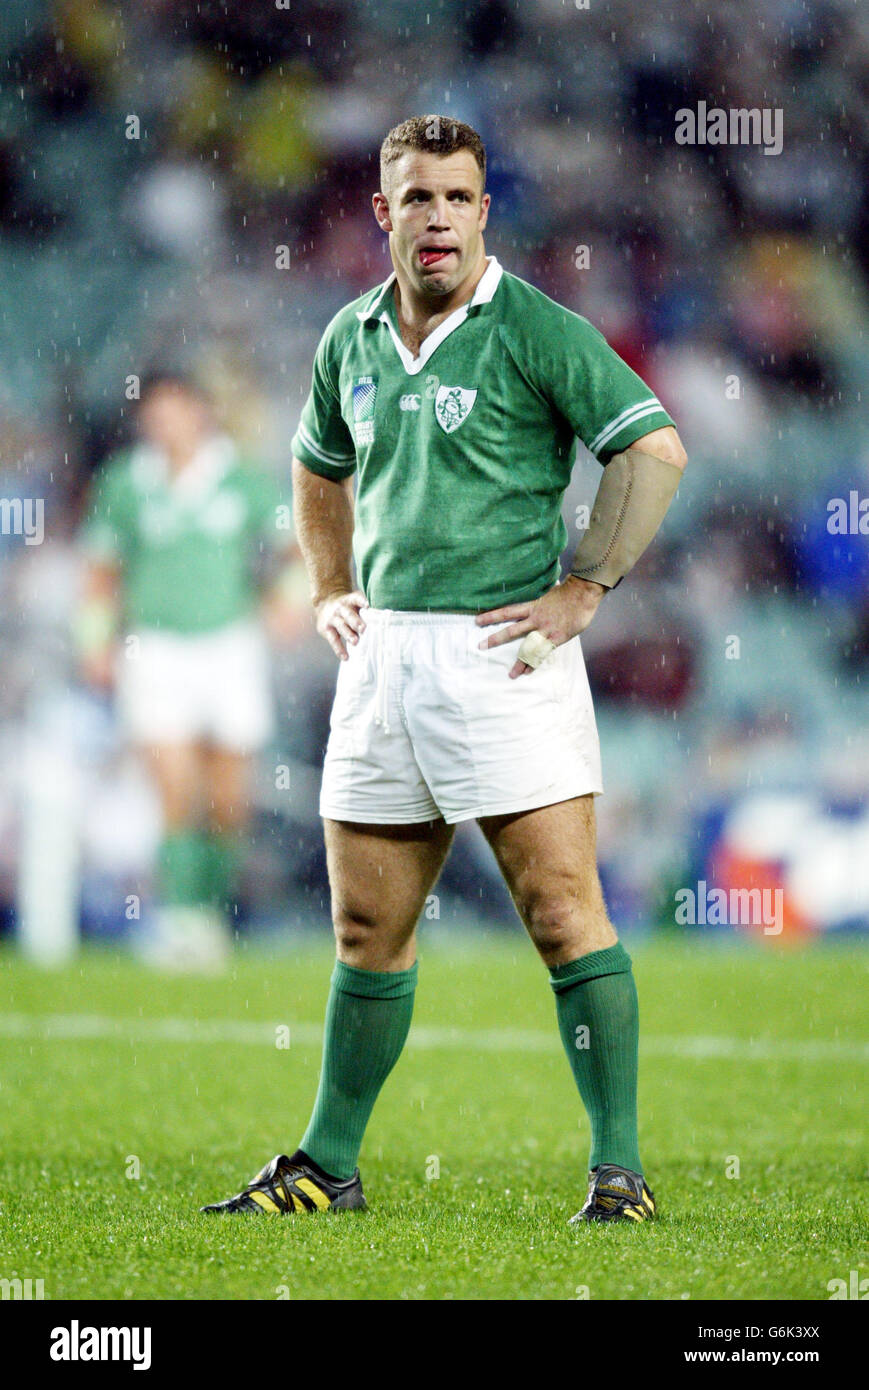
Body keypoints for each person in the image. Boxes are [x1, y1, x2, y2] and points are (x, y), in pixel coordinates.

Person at [203, 116, 687, 1221]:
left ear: (483, 211)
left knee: (564, 917)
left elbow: (652, 449)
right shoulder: (349, 336)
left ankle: (619, 1172)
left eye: (457, 199)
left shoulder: (532, 327)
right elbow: (314, 463)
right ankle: (328, 1165)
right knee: (367, 931)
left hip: (500, 654)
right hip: (381, 663)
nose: (437, 219)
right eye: (415, 198)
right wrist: (329, 586)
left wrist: (583, 588)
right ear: (383, 213)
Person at [76, 371, 295, 969]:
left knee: (229, 799)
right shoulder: (124, 483)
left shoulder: (243, 479)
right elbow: (101, 570)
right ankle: (181, 920)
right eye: (155, 411)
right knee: (174, 785)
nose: (165, 422)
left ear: (201, 413)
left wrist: (287, 602)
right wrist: (94, 642)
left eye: (176, 409)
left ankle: (208, 909)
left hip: (230, 646)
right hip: (155, 649)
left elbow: (294, 548)